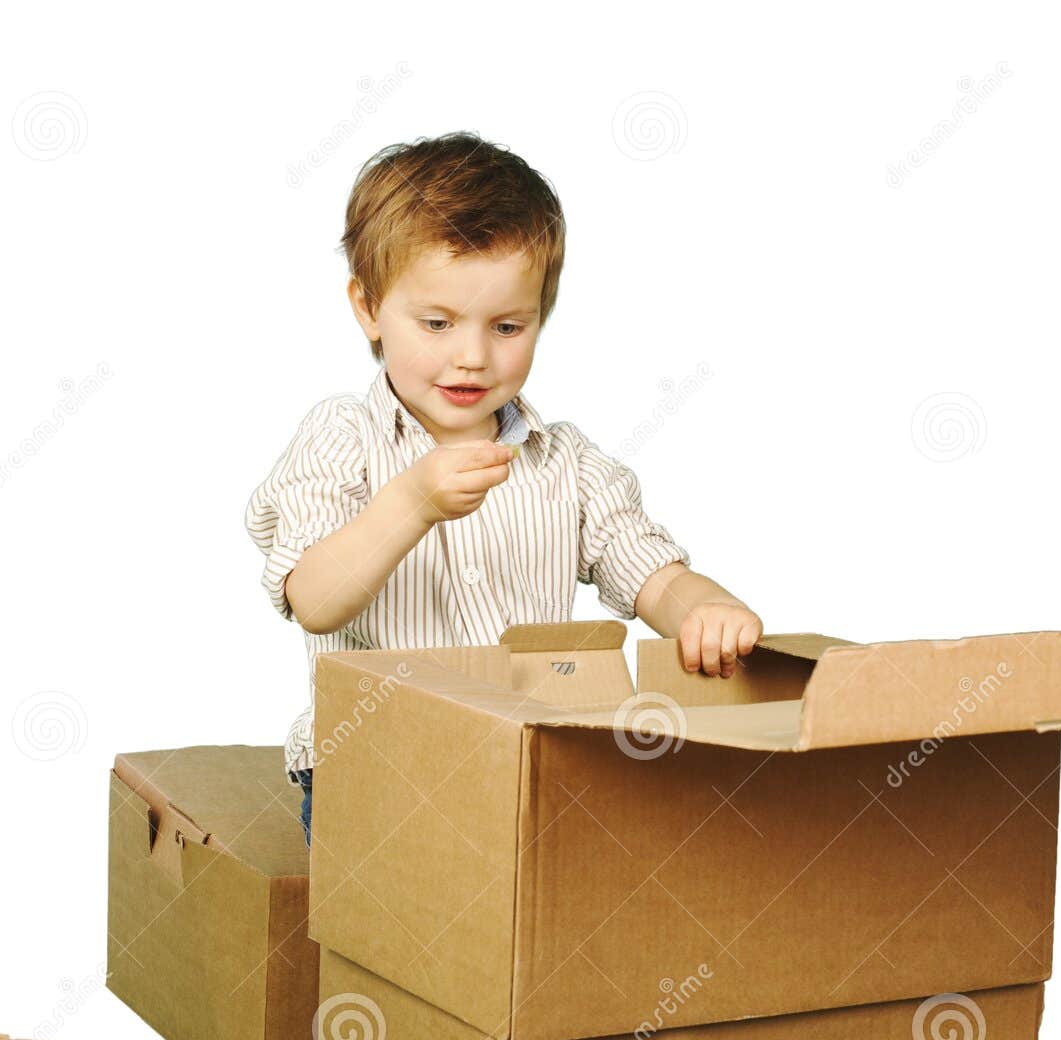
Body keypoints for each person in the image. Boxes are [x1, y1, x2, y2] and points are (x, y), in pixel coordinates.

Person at [245, 132, 763, 846]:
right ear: (368, 307)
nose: (472, 355)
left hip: (535, 771)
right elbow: (314, 599)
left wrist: (705, 610)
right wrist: (411, 503)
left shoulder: (564, 462)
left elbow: (651, 573)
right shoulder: (343, 439)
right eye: (437, 323)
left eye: (507, 326)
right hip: (381, 773)